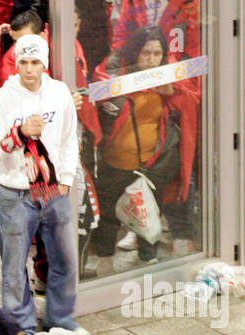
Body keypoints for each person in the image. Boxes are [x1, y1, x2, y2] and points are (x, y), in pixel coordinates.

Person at [0, 33, 87, 335]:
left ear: (44, 64)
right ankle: (21, 326)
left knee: (64, 260)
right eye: (23, 62)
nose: (28, 69)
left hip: (54, 190)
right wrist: (18, 134)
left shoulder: (59, 94)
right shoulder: (1, 98)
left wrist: (66, 180)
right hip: (15, 193)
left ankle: (61, 319)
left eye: (34, 63)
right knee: (15, 268)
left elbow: (70, 139)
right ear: (16, 64)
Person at [85, 26, 199, 273]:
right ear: (135, 52)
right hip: (114, 164)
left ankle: (148, 259)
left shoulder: (168, 74)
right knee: (108, 218)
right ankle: (105, 260)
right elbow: (97, 95)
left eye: (157, 53)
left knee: (149, 213)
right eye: (146, 53)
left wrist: (173, 91)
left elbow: (191, 96)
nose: (151, 59)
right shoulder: (113, 72)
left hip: (151, 164)